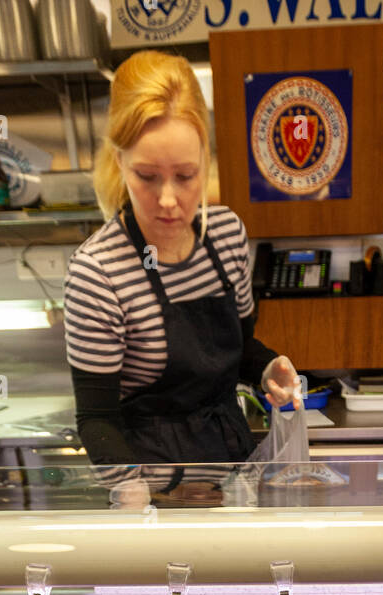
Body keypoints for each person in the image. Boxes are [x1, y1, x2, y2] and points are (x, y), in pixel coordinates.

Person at [64, 50, 300, 501]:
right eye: (147, 176)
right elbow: (96, 419)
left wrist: (269, 367)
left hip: (232, 468)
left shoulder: (227, 235)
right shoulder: (99, 272)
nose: (169, 200)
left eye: (186, 176)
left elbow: (240, 347)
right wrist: (140, 495)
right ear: (118, 162)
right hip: (152, 486)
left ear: (206, 162)